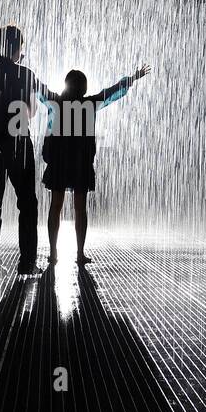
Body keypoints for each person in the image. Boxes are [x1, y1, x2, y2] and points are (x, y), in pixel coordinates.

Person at [42, 64, 152, 265]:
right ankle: (80, 253)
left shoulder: (56, 102)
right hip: (80, 162)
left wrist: (24, 75)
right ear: (83, 88)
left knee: (55, 206)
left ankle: (53, 252)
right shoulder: (90, 104)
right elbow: (110, 91)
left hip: (59, 161)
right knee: (80, 208)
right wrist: (133, 77)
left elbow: (39, 90)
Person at [0, 25, 59, 275]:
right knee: (28, 204)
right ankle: (27, 262)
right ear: (19, 47)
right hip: (19, 143)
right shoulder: (27, 75)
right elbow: (51, 99)